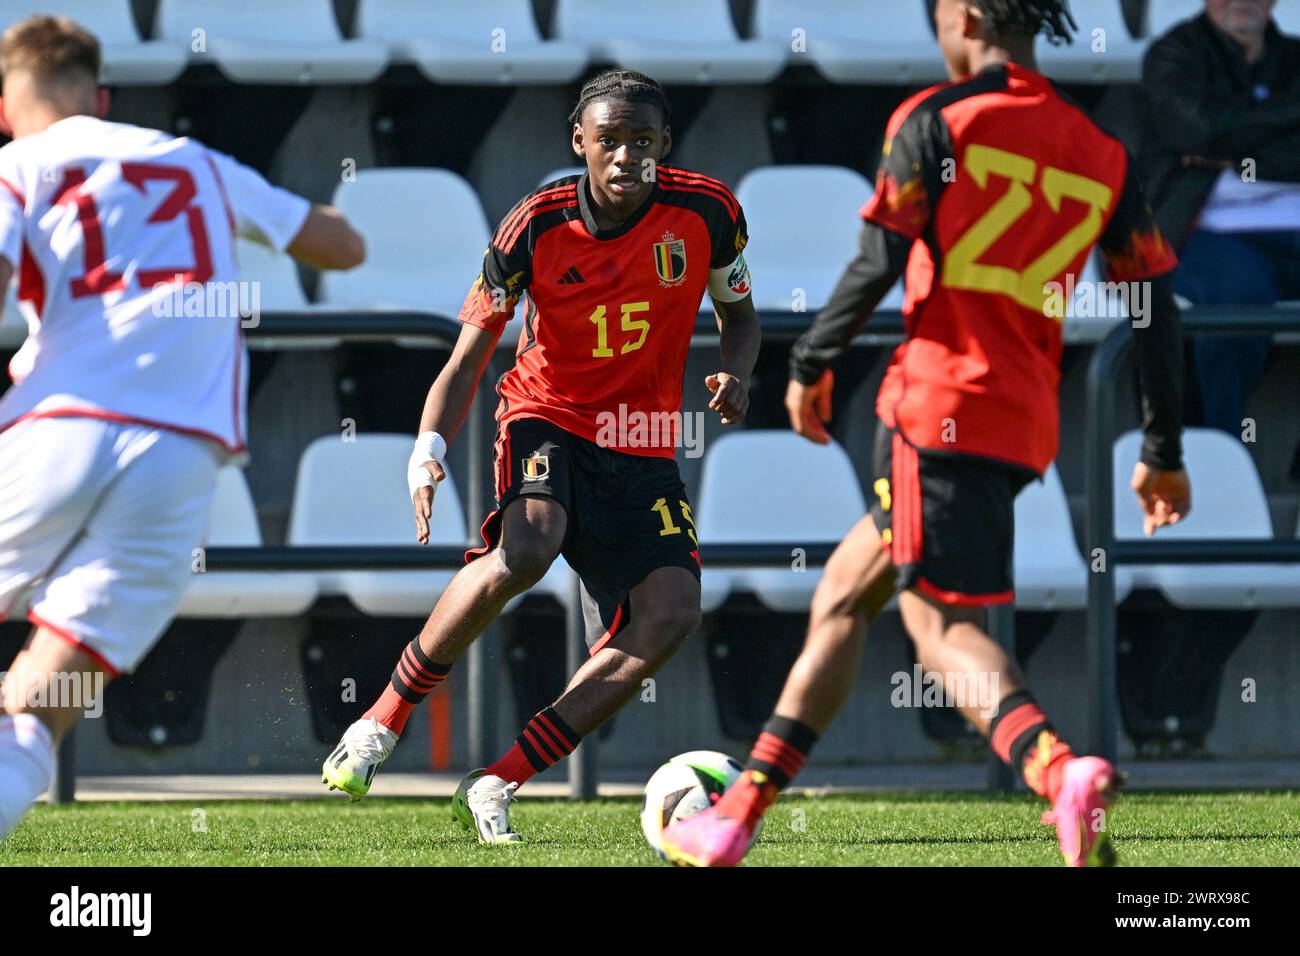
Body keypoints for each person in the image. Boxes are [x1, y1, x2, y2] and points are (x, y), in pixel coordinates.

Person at [662, 0, 1191, 868]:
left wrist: (810, 362)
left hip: (935, 407)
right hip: (1020, 420)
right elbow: (1154, 306)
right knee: (842, 596)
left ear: (968, 14)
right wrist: (1162, 451)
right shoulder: (1101, 151)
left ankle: (1060, 771)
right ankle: (736, 817)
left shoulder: (935, 120)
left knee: (938, 625)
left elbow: (877, 256)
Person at [322, 70, 761, 844]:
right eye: (611, 141)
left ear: (666, 146)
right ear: (579, 142)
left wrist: (739, 371)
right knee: (526, 547)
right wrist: (428, 447)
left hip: (645, 440)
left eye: (644, 142)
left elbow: (741, 314)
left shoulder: (709, 212)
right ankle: (381, 723)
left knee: (673, 614)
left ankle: (496, 781)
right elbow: (467, 356)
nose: (628, 157)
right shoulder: (533, 224)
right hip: (546, 416)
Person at [0, 15, 364, 839]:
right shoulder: (194, 161)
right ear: (101, 95)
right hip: (181, 458)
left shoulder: (17, 166)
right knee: (39, 706)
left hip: (61, 427)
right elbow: (343, 246)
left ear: (4, 104)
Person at [1140, 0, 1300, 435]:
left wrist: (1231, 147)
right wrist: (1287, 118)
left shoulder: (1293, 58)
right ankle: (1217, 444)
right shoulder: (1175, 55)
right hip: (1208, 230)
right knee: (1239, 297)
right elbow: (1196, 130)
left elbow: (1213, 132)